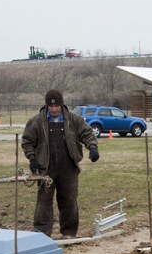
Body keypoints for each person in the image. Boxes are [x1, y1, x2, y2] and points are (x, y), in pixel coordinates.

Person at [21, 89, 98, 238]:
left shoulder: (74, 120)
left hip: (68, 168)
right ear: (47, 106)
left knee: (69, 200)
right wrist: (32, 159)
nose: (54, 109)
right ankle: (42, 234)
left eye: (57, 106)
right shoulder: (37, 122)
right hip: (45, 169)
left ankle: (68, 232)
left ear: (62, 105)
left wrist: (93, 148)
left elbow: (87, 134)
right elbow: (27, 141)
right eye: (51, 106)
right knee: (43, 203)